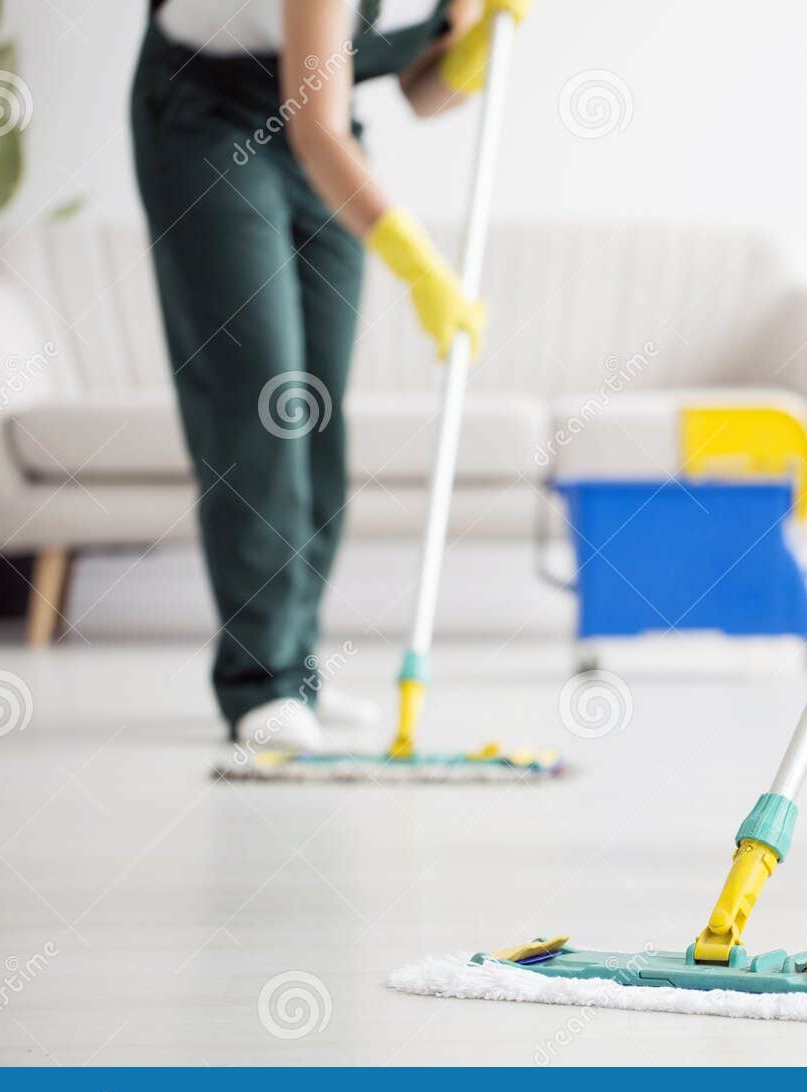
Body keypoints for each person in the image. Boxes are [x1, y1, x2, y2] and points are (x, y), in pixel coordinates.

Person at [131, 0, 529, 750]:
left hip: (324, 129)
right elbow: (315, 130)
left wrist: (476, 43)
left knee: (315, 406)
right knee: (263, 398)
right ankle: (261, 681)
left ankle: (296, 665)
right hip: (208, 116)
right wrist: (419, 268)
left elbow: (421, 92)